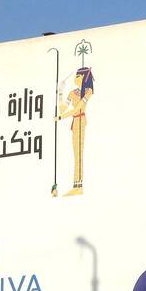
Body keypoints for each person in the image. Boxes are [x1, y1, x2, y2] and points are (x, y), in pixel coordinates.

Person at [56, 67, 94, 196]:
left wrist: (60, 118)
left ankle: (78, 185)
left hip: (80, 121)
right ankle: (76, 184)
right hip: (74, 124)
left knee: (79, 154)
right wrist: (60, 92)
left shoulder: (88, 92)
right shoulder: (73, 92)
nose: (76, 78)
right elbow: (62, 108)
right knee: (75, 153)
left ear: (84, 78)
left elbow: (77, 109)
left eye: (78, 76)